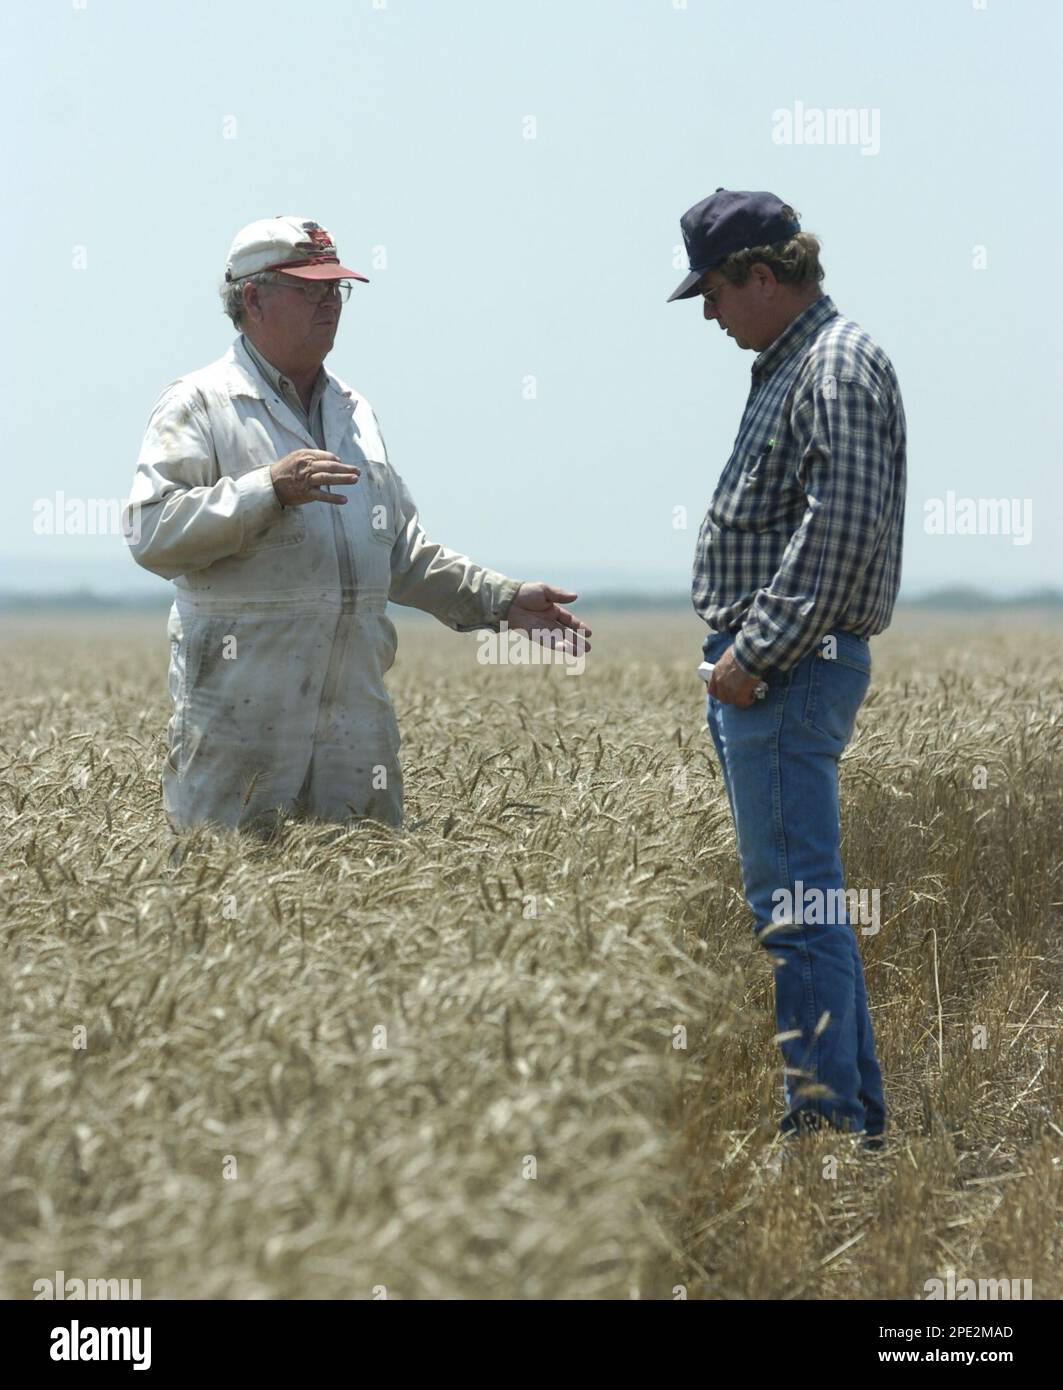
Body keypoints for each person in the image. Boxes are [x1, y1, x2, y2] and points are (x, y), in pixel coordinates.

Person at [125, 215, 590, 837]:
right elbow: (151, 532)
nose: (329, 304)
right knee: (229, 898)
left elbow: (396, 551)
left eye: (336, 289)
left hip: (353, 726)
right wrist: (267, 490)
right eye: (310, 288)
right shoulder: (201, 404)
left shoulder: (354, 410)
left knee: (362, 903)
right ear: (253, 298)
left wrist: (501, 600)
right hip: (240, 723)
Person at [668, 189, 906, 1148]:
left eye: (715, 294)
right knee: (805, 903)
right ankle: (853, 1120)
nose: (711, 314)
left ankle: (822, 1129)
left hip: (784, 671)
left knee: (795, 908)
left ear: (761, 275)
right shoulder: (798, 361)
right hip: (777, 670)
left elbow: (837, 528)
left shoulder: (831, 363)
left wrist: (750, 656)